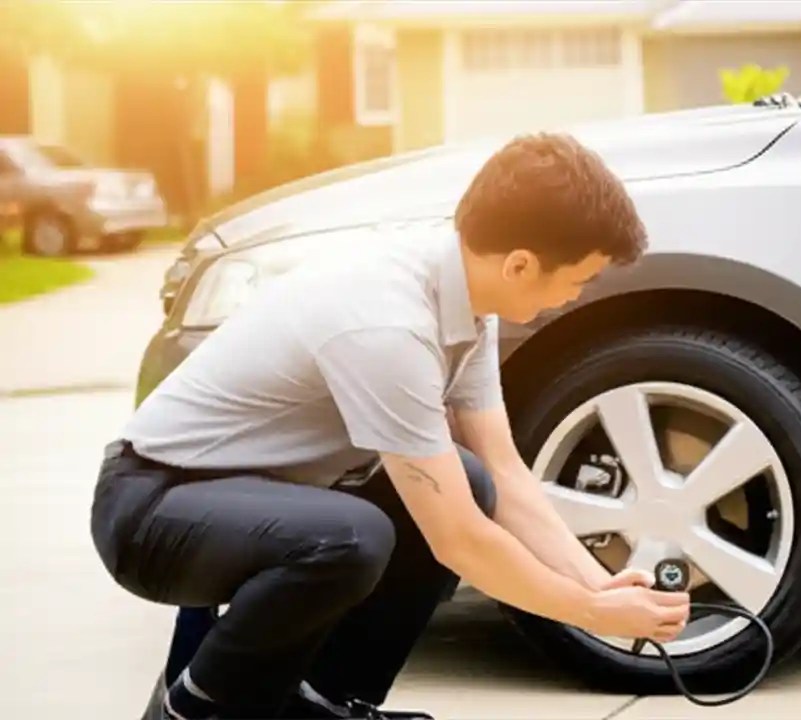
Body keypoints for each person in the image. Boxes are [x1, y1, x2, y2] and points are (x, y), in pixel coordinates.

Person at [89, 132, 691, 719]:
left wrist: (602, 586)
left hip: (256, 501)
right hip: (153, 509)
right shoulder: (388, 324)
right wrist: (588, 613)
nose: (574, 295)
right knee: (353, 538)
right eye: (578, 278)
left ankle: (323, 704)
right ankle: (198, 711)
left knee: (473, 482)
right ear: (520, 264)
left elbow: (506, 476)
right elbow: (459, 540)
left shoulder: (463, 300)